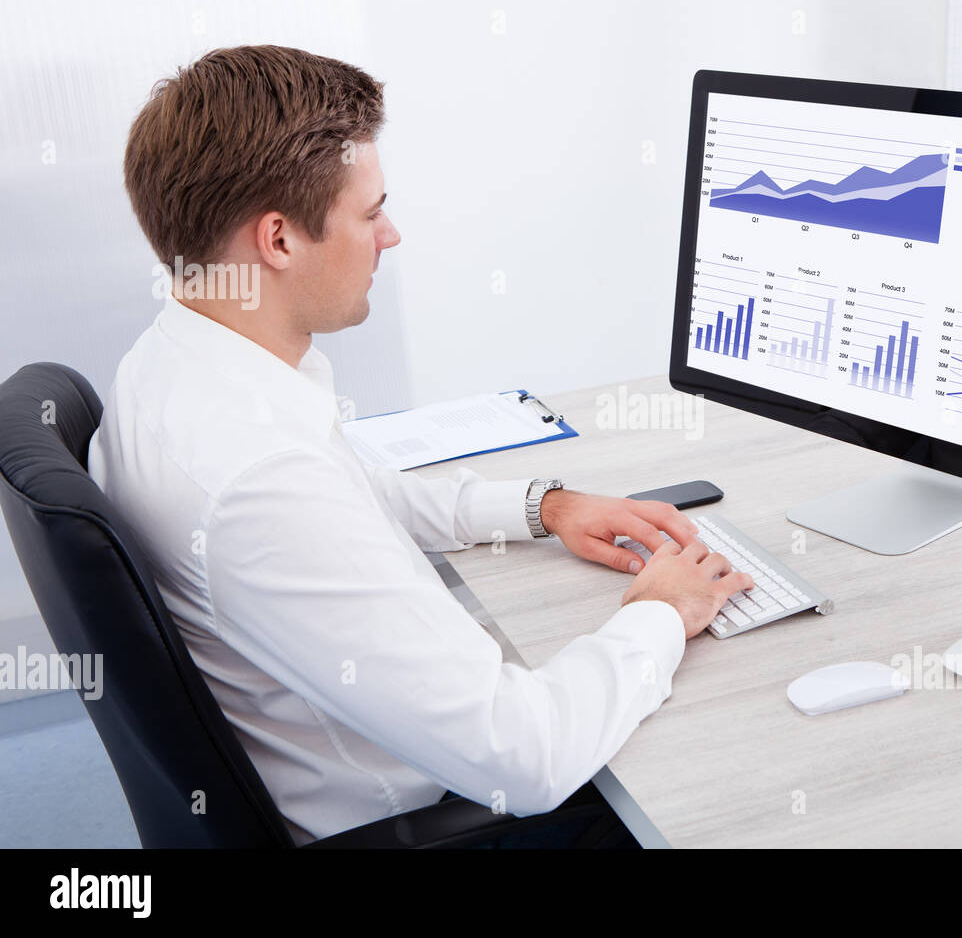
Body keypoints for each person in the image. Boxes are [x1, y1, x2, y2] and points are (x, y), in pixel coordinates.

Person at [88, 44, 753, 846]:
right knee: (742, 773)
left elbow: (360, 491)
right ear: (279, 240)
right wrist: (658, 615)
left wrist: (544, 506)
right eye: (370, 213)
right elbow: (528, 758)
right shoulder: (262, 479)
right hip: (430, 818)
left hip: (385, 762)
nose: (391, 235)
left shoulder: (180, 360)